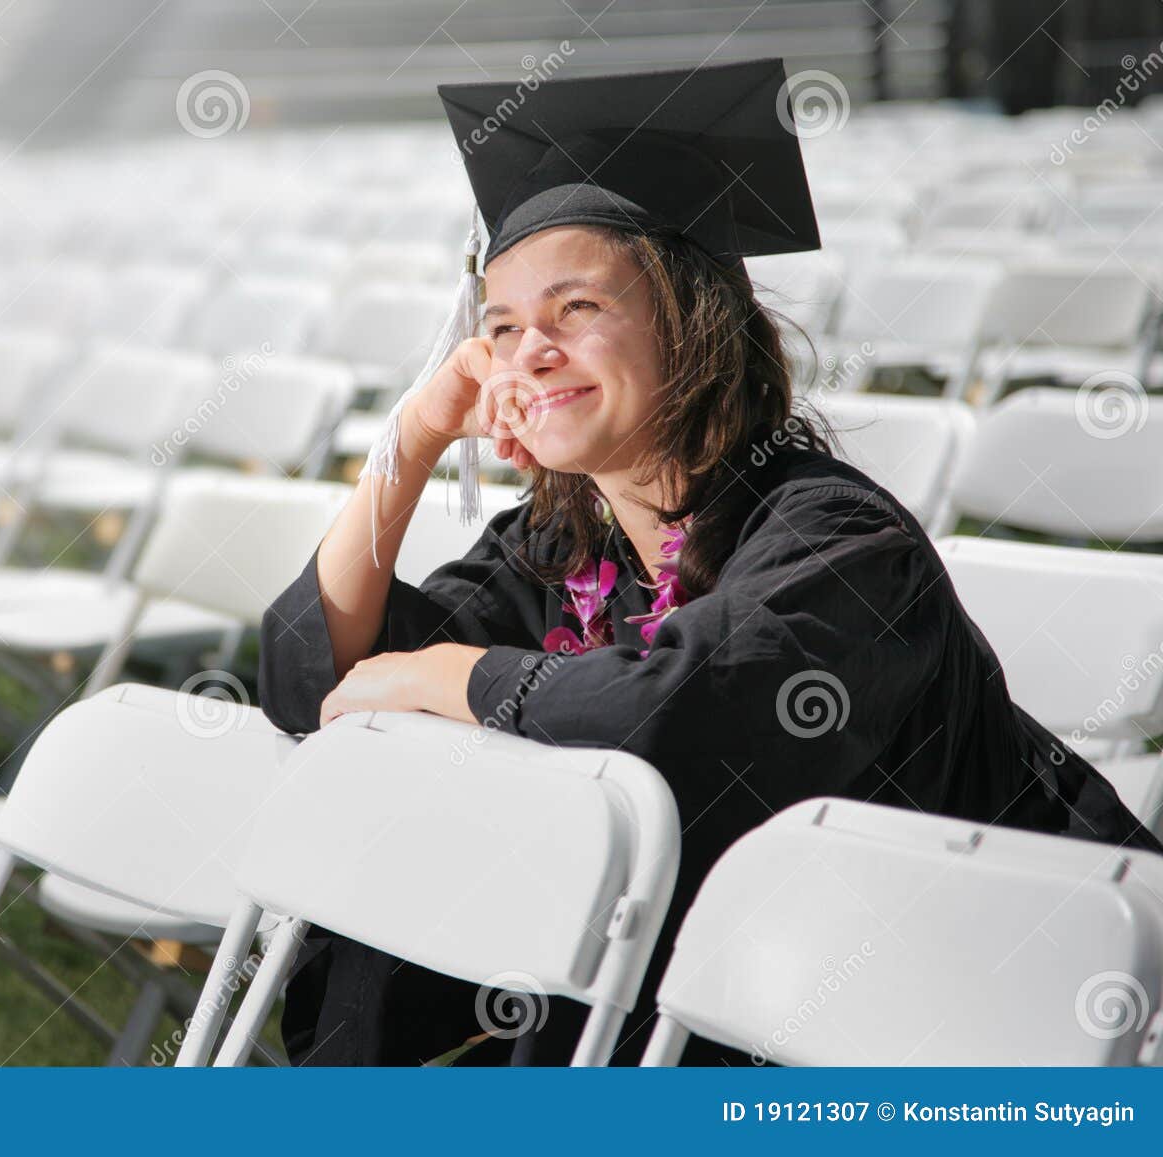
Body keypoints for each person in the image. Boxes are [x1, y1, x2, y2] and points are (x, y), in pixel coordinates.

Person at [255, 59, 1163, 1066]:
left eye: (575, 309)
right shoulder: (561, 546)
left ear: (692, 321)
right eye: (502, 328)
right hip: (747, 1002)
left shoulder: (838, 543)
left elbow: (676, 719)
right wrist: (416, 435)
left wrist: (442, 675)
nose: (530, 351)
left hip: (994, 1028)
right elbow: (313, 679)